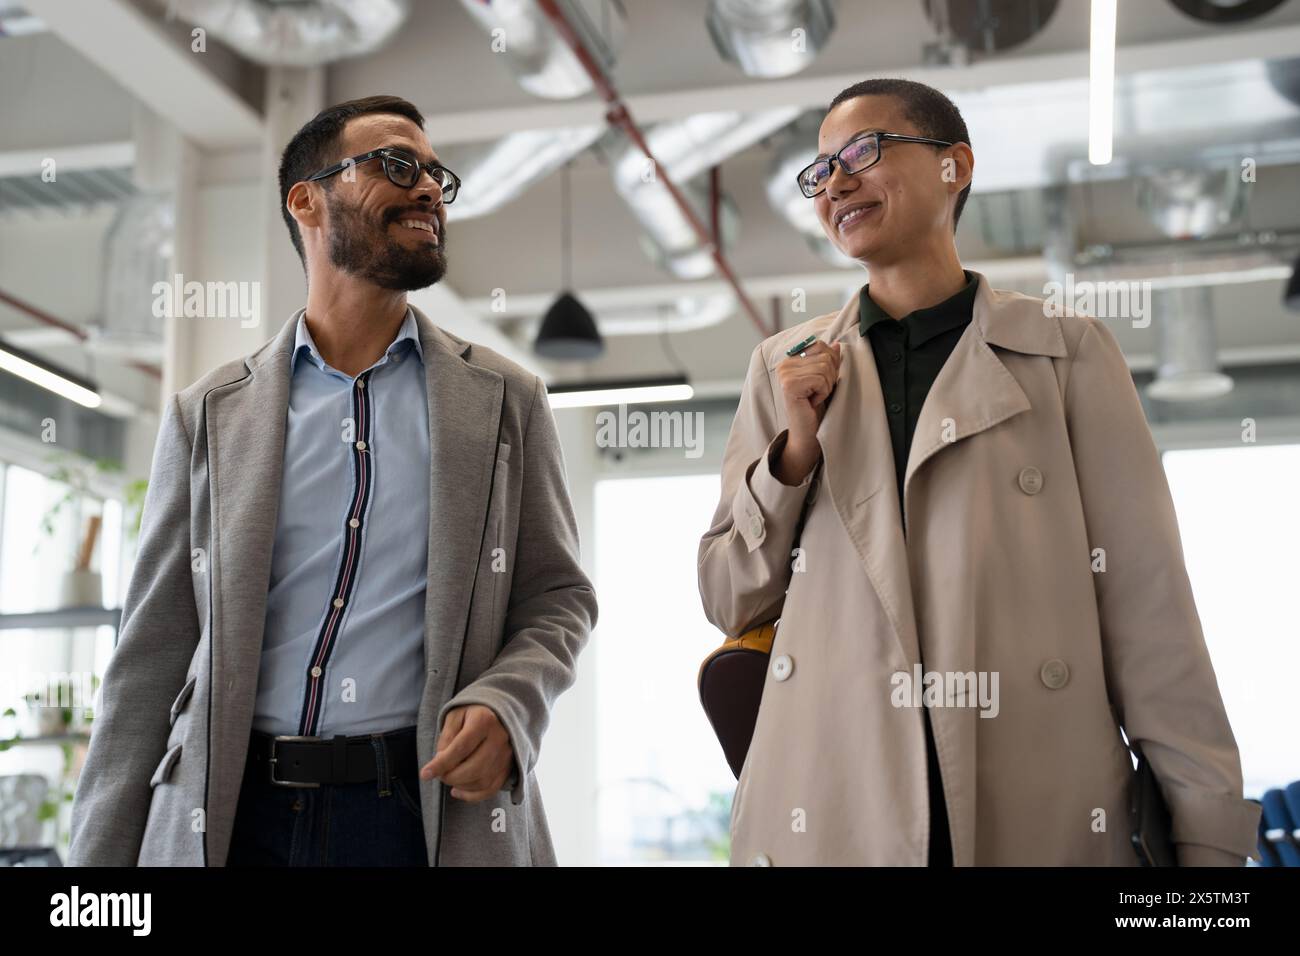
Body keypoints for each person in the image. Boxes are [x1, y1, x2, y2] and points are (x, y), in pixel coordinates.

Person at [697, 78, 1259, 866]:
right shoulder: (782, 368)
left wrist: (1206, 839)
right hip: (837, 800)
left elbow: (1147, 602)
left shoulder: (1065, 351)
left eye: (863, 150)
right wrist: (793, 451)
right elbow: (728, 596)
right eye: (819, 170)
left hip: (1035, 794)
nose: (836, 182)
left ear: (953, 165)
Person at [68, 95, 597, 866]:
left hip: (415, 816)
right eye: (396, 164)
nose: (425, 188)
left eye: (434, 175)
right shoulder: (208, 414)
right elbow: (150, 655)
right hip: (228, 815)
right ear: (306, 199)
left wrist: (509, 699)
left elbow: (559, 595)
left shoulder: (504, 401)